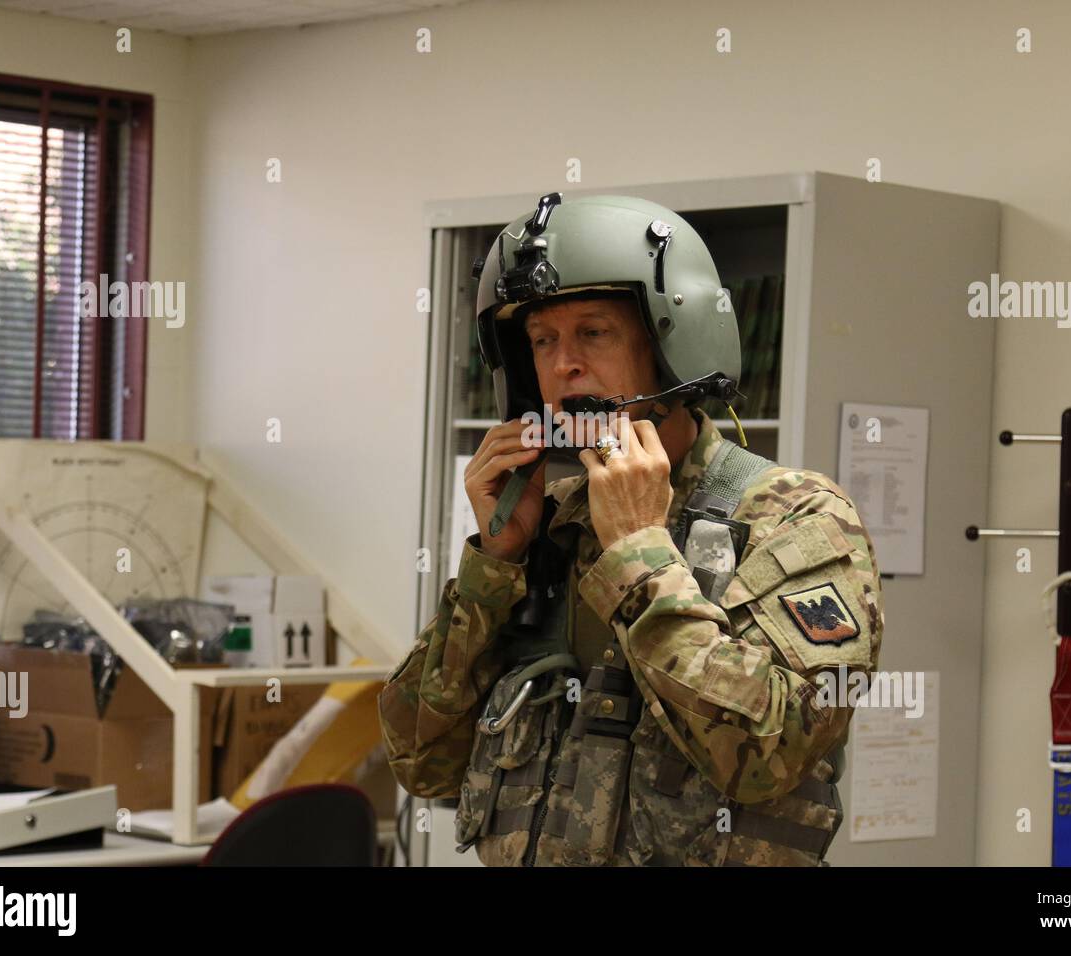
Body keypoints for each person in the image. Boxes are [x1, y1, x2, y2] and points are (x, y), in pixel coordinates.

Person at [378, 192, 885, 866]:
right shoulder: (553, 524)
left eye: (594, 333)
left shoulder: (793, 517)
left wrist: (640, 553)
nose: (563, 366)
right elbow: (422, 761)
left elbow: (771, 752)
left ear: (673, 344)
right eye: (542, 341)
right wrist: (492, 568)